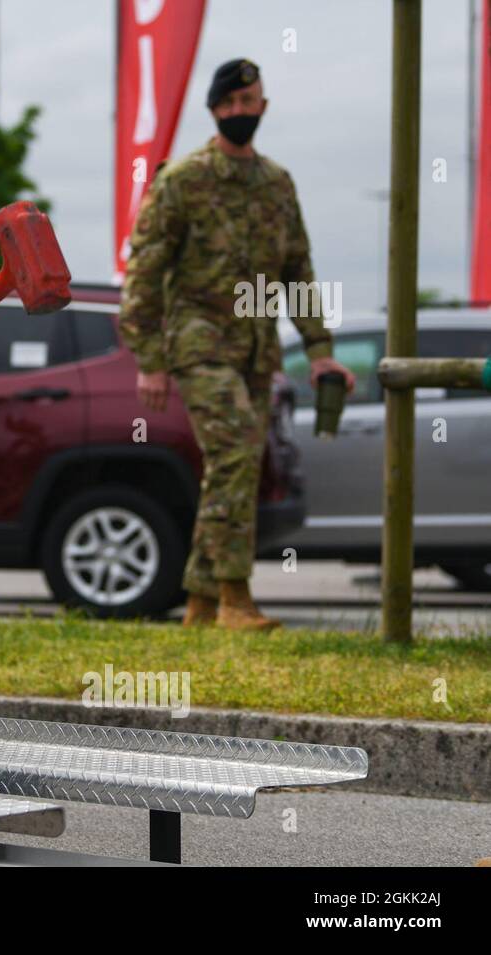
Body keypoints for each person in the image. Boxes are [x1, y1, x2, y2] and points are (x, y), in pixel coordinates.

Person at [120, 58, 356, 630]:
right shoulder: (183, 180)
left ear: (263, 107)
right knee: (236, 453)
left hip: (256, 346)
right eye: (229, 105)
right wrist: (150, 360)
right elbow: (144, 272)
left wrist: (320, 348)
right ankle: (234, 597)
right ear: (213, 111)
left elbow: (298, 269)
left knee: (236, 465)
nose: (239, 113)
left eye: (248, 104)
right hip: (198, 342)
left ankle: (200, 604)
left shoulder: (277, 183)